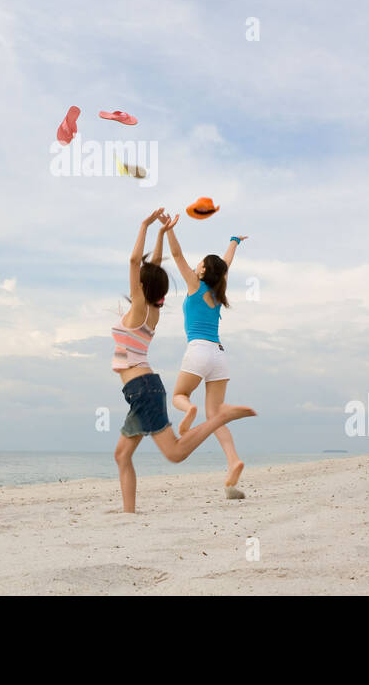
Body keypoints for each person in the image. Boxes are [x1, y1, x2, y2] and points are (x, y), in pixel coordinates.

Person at [112, 210, 256, 513]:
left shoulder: (140, 307)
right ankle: (127, 514)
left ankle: (218, 418)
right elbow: (217, 265)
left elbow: (136, 262)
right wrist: (163, 234)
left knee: (175, 453)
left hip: (143, 388)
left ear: (141, 287)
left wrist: (145, 225)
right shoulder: (154, 309)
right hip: (150, 384)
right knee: (122, 456)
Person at [162, 213, 249, 498]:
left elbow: (176, 254)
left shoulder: (195, 285)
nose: (195, 265)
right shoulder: (218, 289)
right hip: (219, 355)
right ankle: (233, 459)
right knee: (216, 415)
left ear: (200, 272)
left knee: (179, 395)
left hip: (198, 350)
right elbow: (226, 264)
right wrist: (234, 241)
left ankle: (189, 410)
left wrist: (170, 230)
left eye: (199, 264)